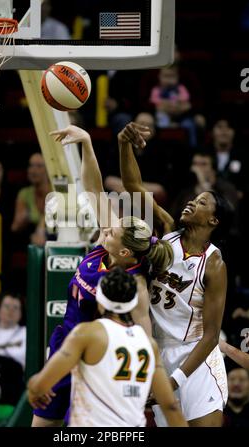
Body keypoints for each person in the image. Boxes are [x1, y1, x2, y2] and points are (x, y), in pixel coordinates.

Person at [31, 124, 174, 427]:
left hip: (97, 362)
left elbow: (145, 338)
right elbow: (94, 190)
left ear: (126, 253)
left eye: (112, 231)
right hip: (63, 348)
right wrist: (86, 142)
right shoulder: (106, 245)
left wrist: (148, 380)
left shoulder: (135, 285)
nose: (106, 227)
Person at [119, 121, 233, 427]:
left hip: (196, 359)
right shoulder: (168, 231)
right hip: (160, 351)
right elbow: (133, 189)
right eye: (193, 199)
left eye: (202, 203)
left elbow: (211, 335)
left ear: (213, 220)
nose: (192, 202)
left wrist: (175, 381)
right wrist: (124, 145)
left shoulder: (214, 264)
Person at [28, 267, 188, 427]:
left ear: (99, 300)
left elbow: (39, 385)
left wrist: (34, 388)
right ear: (133, 303)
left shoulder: (87, 334)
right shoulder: (149, 344)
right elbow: (171, 406)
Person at [149, 65, 198, 147]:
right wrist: (163, 102)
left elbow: (186, 97)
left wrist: (179, 100)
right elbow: (153, 99)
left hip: (181, 116)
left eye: (172, 76)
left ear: (177, 77)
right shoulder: (157, 89)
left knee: (189, 124)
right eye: (166, 76)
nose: (168, 80)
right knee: (161, 119)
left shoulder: (180, 88)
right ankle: (161, 144)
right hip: (164, 114)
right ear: (159, 77)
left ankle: (193, 146)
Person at [11, 152, 53, 248]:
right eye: (31, 166)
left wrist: (40, 229)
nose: (33, 170)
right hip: (32, 239)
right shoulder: (24, 193)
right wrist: (23, 219)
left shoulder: (56, 191)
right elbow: (15, 227)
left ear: (47, 169)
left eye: (39, 166)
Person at [0, 293, 26, 371]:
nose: (11, 311)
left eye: (15, 308)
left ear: (21, 313)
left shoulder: (27, 333)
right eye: (7, 306)